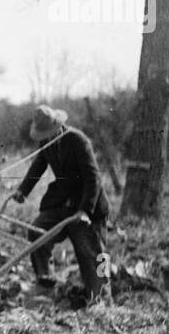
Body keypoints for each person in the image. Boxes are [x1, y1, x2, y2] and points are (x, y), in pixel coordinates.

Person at [10, 105, 109, 303]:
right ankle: (46, 282)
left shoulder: (78, 141)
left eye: (48, 133)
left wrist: (84, 211)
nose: (46, 137)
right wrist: (23, 190)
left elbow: (93, 178)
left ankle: (99, 298)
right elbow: (39, 165)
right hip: (62, 202)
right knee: (37, 231)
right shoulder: (47, 142)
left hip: (86, 205)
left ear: (58, 126)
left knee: (90, 252)